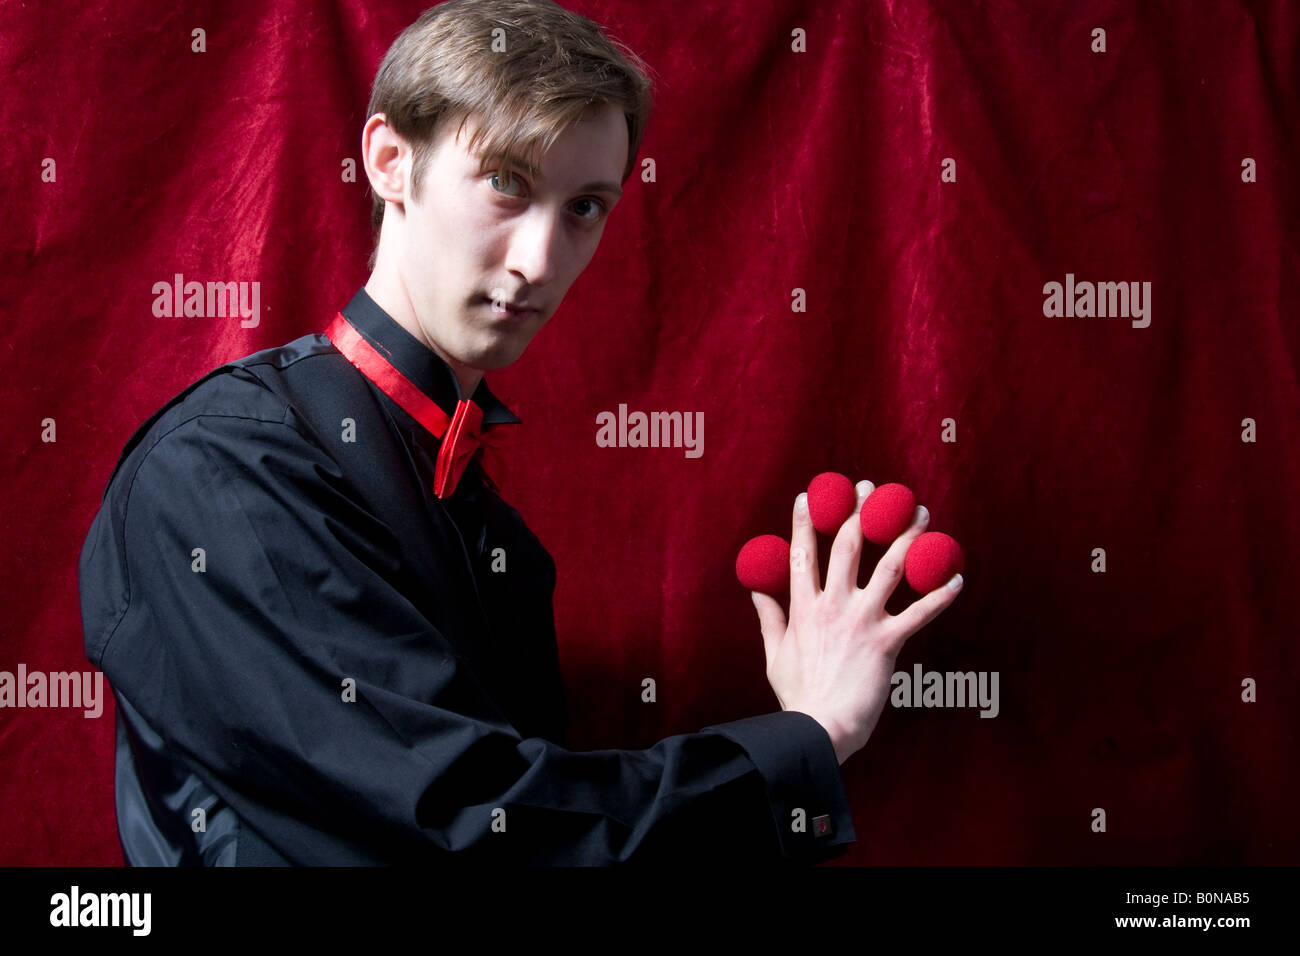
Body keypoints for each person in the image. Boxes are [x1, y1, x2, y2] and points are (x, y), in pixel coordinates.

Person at [78, 0, 962, 866]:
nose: (540, 261)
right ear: (390, 161)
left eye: (584, 207)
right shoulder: (226, 465)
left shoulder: (494, 532)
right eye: (507, 182)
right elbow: (477, 824)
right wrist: (810, 737)